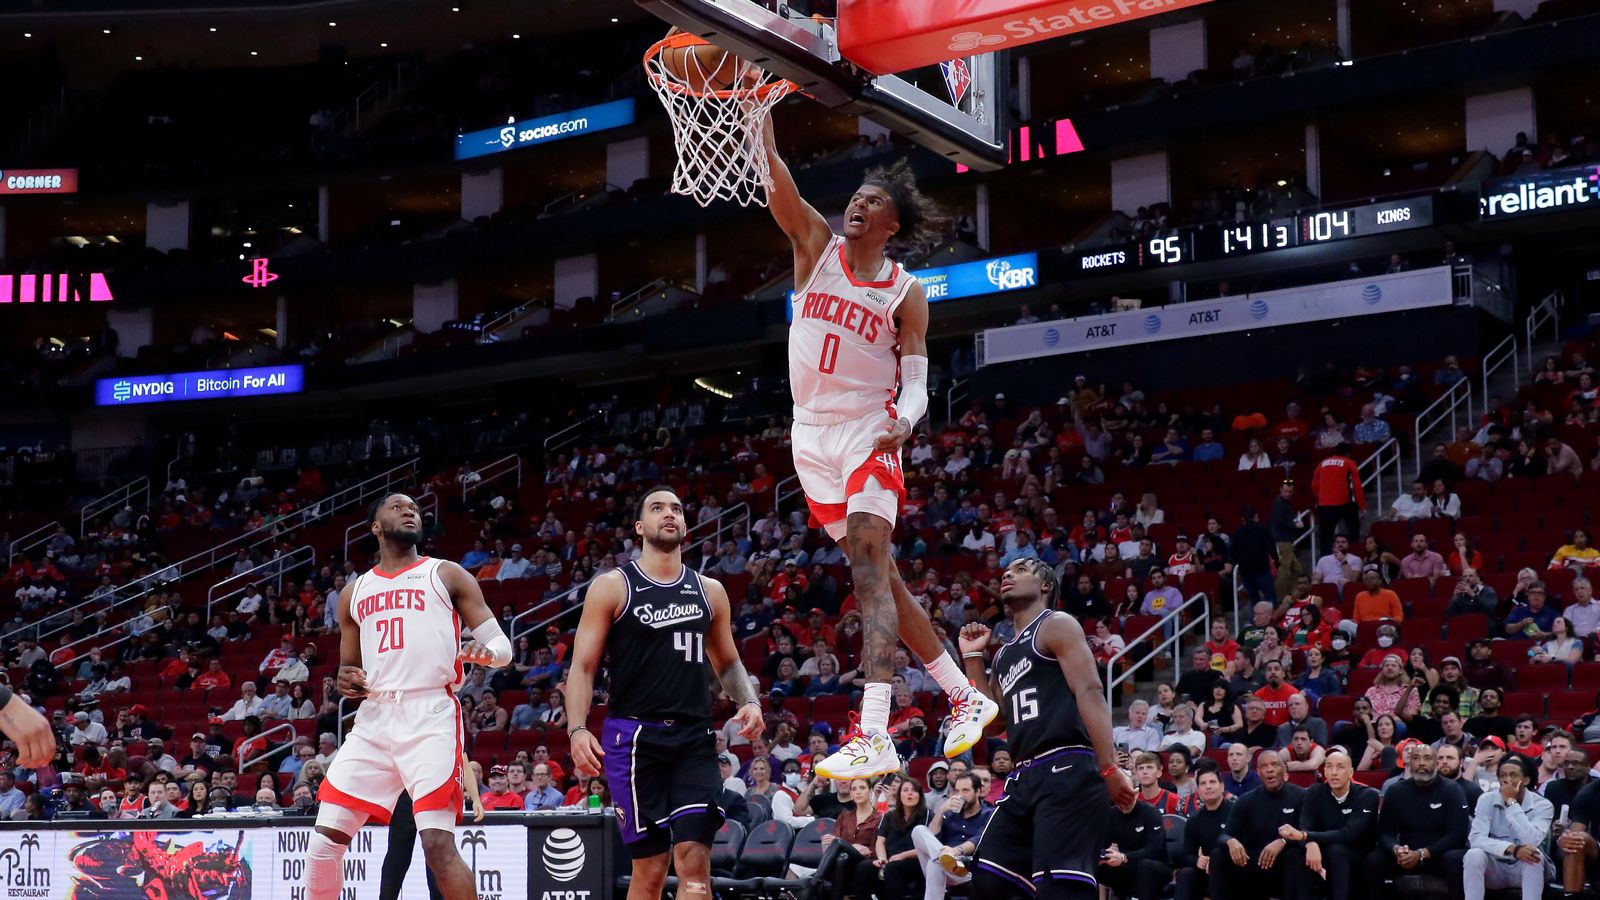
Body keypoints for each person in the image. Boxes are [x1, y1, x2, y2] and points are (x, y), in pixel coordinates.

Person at [764, 113, 996, 780]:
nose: (858, 205)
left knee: (868, 565)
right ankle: (962, 695)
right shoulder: (816, 247)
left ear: (893, 224)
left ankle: (873, 731)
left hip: (871, 426)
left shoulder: (906, 291)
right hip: (809, 437)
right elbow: (778, 182)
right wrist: (756, 119)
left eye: (873, 201)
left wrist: (909, 421)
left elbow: (919, 376)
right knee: (884, 579)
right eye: (856, 197)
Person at [304, 493, 513, 900]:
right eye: (397, 507)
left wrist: (483, 653)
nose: (409, 511)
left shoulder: (447, 574)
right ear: (376, 527)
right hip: (375, 718)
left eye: (414, 509)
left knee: (437, 845)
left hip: (430, 712)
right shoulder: (354, 592)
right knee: (322, 846)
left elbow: (503, 650)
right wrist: (346, 679)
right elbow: (350, 668)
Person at [566, 488, 764, 900]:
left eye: (676, 509)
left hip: (694, 738)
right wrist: (577, 728)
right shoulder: (612, 587)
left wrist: (748, 700)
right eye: (657, 508)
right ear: (640, 526)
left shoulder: (709, 590)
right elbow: (583, 667)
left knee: (694, 860)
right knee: (650, 871)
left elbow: (727, 662)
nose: (669, 514)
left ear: (686, 526)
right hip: (635, 739)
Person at [958, 558, 1136, 898]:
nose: (1007, 574)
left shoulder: (1056, 624)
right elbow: (994, 722)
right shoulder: (1004, 654)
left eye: (1021, 570)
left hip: (1068, 766)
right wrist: (973, 657)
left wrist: (1109, 766)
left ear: (1045, 586)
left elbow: (1090, 691)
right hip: (1024, 775)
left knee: (1059, 888)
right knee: (987, 878)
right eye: (1006, 571)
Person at [1363, 744, 1470, 898]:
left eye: (1427, 758)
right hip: (1405, 856)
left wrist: (1422, 854)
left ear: (1436, 763)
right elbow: (1385, 832)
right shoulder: (1396, 791)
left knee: (1454, 858)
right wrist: (1396, 850)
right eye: (1416, 758)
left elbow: (1456, 835)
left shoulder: (1452, 790)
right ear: (1408, 763)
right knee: (1373, 859)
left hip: (1438, 856)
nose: (1421, 763)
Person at [1209, 751, 1304, 900]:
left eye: (1274, 764)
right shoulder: (1246, 800)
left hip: (1283, 862)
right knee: (1218, 854)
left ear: (1284, 770)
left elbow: (1308, 831)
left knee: (1295, 855)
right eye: (1264, 766)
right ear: (1258, 772)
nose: (1269, 769)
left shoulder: (1301, 796)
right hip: (1254, 862)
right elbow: (1223, 835)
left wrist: (1284, 841)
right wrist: (1230, 841)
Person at [1464, 755, 1552, 900]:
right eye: (1503, 775)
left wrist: (1511, 803)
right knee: (1473, 855)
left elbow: (1532, 840)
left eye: (1513, 775)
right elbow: (1476, 839)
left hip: (1524, 869)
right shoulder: (1486, 799)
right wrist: (1513, 849)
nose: (1507, 780)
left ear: (1526, 780)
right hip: (1496, 868)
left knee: (1534, 855)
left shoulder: (1543, 805)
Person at [914, 770, 991, 899]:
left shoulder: (988, 814)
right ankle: (945, 859)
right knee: (919, 830)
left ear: (978, 792)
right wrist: (941, 810)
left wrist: (955, 851)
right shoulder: (950, 813)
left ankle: (946, 859)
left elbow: (978, 840)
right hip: (945, 867)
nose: (960, 795)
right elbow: (931, 837)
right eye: (957, 791)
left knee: (935, 864)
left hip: (968, 869)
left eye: (965, 791)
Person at [1097, 792, 1171, 900]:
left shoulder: (1151, 812)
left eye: (1126, 798)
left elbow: (1154, 849)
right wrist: (1104, 855)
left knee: (1145, 866)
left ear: (1136, 794)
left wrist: (1125, 857)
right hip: (1126, 866)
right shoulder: (1110, 814)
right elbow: (1101, 844)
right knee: (1095, 866)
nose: (1123, 804)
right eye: (1119, 800)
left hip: (1157, 865)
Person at [1175, 766, 1232, 900]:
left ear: (1222, 786)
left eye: (1212, 782)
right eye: (1203, 783)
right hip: (1206, 871)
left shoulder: (1236, 812)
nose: (1208, 787)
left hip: (1232, 869)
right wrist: (1197, 861)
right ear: (1198, 790)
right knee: (1185, 874)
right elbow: (1187, 854)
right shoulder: (1194, 820)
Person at [1310, 444, 1365, 556]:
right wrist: (1361, 505)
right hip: (1345, 503)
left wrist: (1322, 497)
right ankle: (1353, 556)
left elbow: (1314, 486)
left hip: (1324, 505)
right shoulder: (1349, 463)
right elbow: (1356, 486)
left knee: (1325, 536)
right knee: (1353, 530)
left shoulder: (1322, 463)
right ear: (1347, 453)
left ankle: (1324, 561)